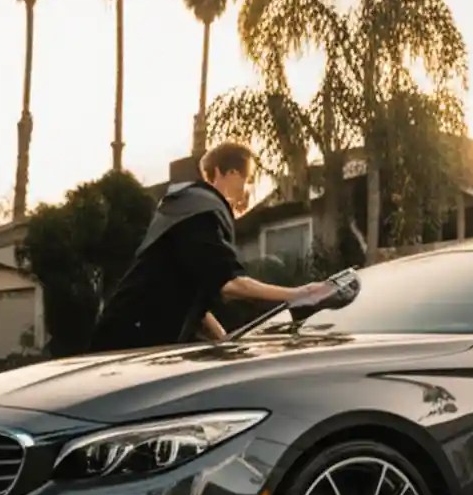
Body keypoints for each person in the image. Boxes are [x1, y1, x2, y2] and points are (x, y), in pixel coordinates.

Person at [88, 142, 325, 352]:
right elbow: (230, 283)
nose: (249, 190)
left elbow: (198, 295)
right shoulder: (201, 212)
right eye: (248, 179)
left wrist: (225, 341)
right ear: (229, 173)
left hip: (133, 335)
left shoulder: (190, 209)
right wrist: (299, 294)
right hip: (130, 339)